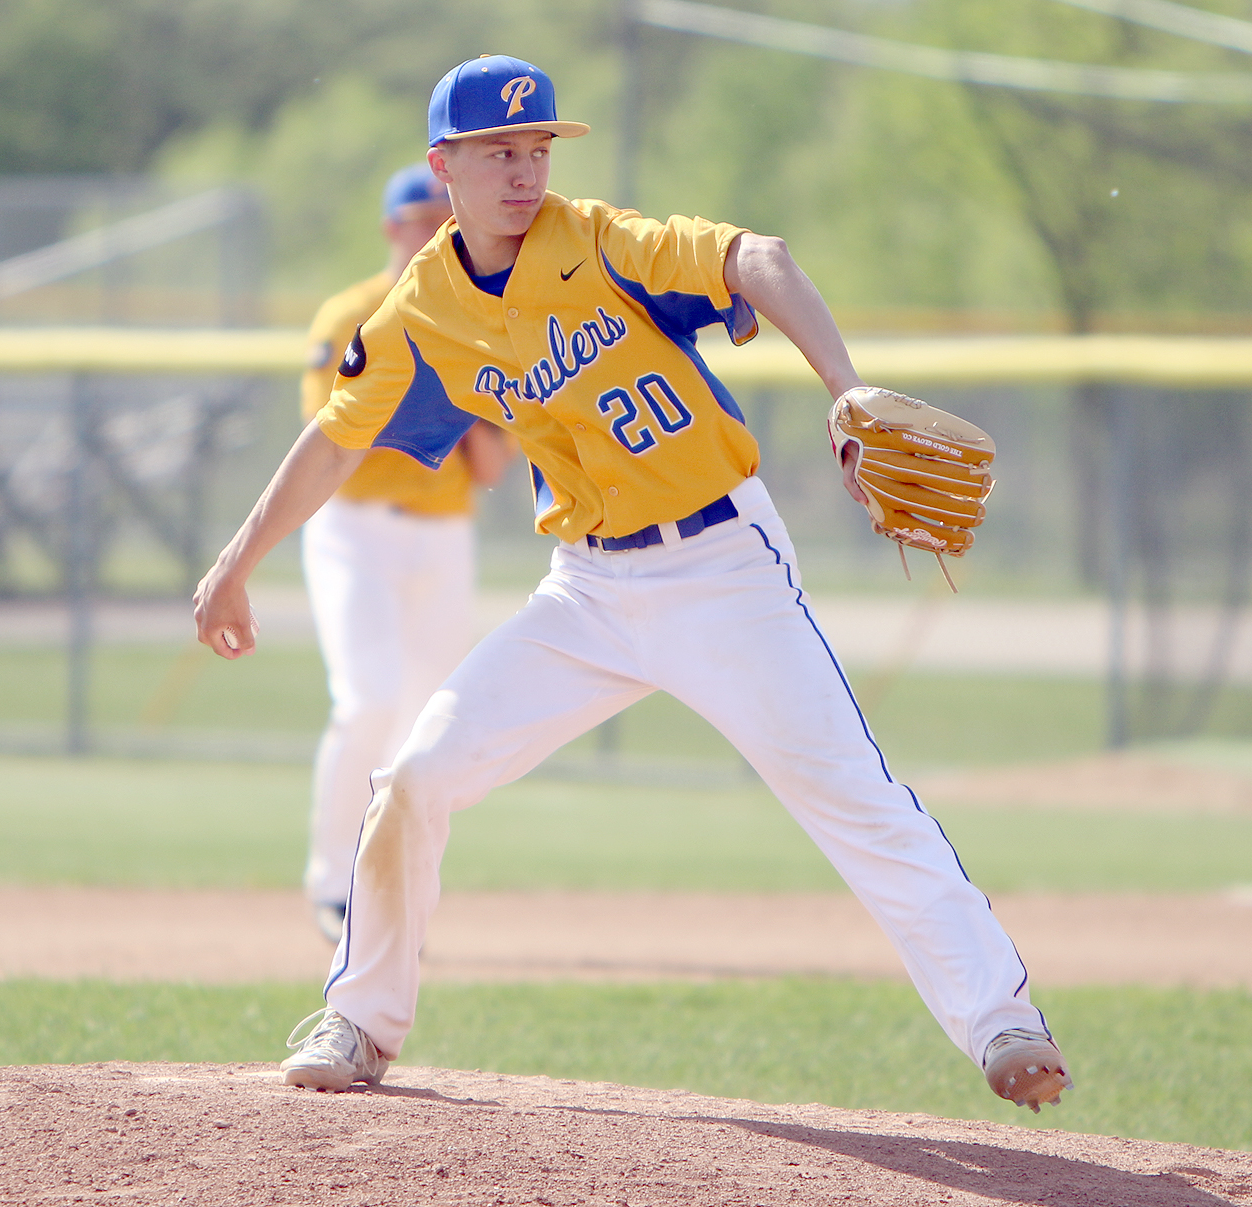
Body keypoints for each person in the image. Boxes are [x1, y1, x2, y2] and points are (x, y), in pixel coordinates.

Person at [194, 54, 1072, 1113]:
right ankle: (363, 1020)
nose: (525, 171)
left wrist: (845, 389)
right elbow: (335, 441)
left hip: (723, 573)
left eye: (537, 148)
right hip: (587, 596)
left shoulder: (603, 242)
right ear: (445, 167)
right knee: (416, 773)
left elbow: (759, 258)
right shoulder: (421, 307)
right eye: (499, 153)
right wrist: (237, 561)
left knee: (850, 792)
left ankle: (1001, 1018)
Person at [299, 163, 514, 943]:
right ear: (392, 226)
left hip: (443, 534)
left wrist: (458, 401)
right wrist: (425, 394)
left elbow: (491, 467)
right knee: (368, 696)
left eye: (443, 215)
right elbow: (332, 443)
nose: (434, 226)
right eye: (420, 215)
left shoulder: (479, 320)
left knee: (424, 718)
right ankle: (331, 881)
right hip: (354, 528)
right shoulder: (353, 313)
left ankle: (383, 885)